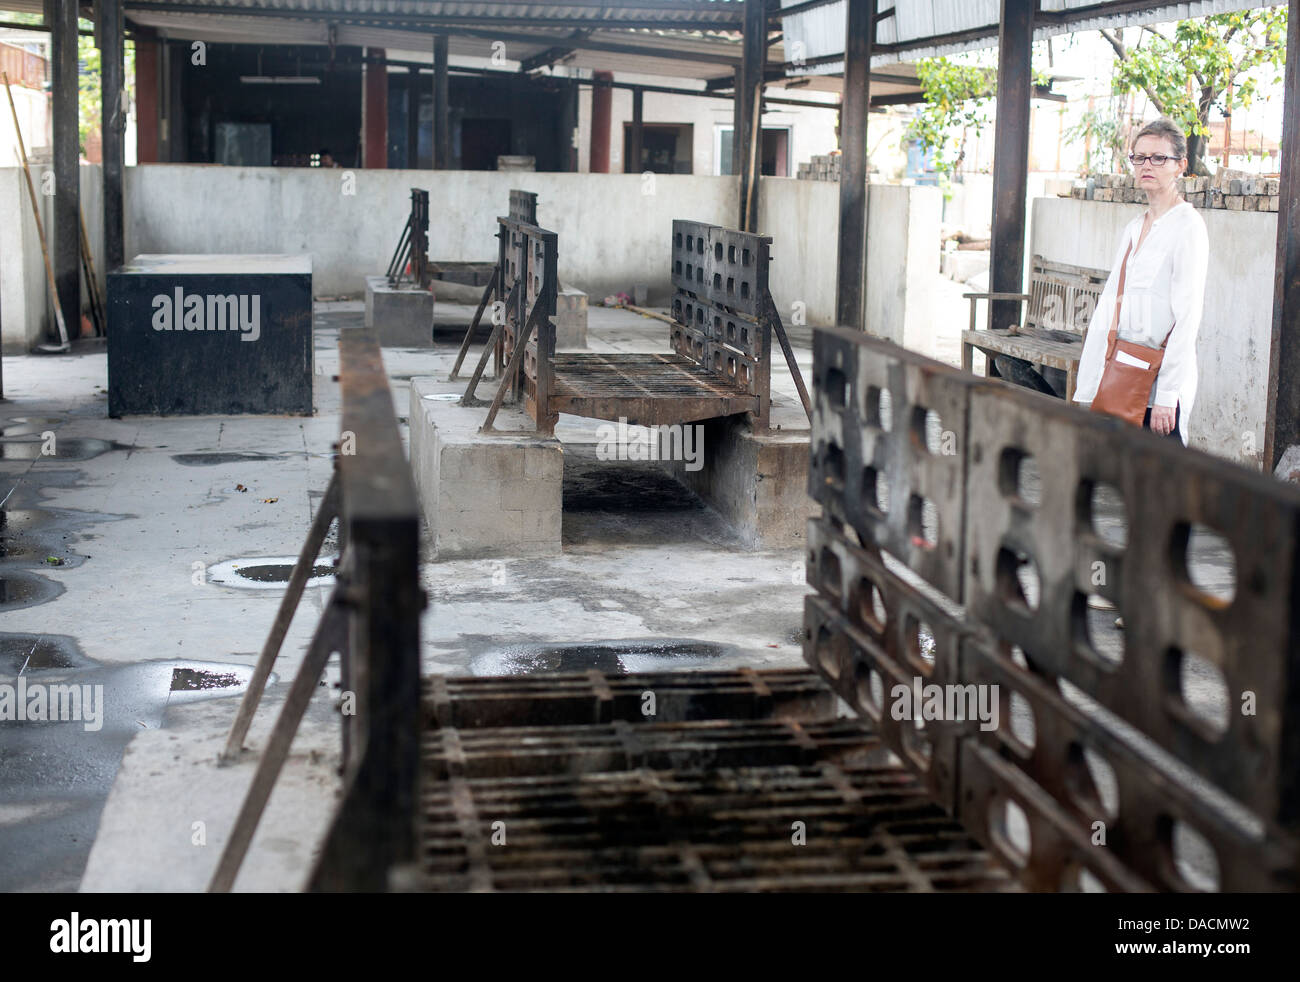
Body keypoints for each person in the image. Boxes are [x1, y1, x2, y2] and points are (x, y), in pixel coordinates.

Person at [1072, 117, 1210, 445]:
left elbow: (1188, 318)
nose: (1147, 165)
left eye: (1159, 158)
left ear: (1180, 165)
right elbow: (1110, 306)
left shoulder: (1188, 226)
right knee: (1129, 483)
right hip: (1123, 374)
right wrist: (1089, 382)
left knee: (1162, 487)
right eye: (1139, 157)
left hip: (1159, 383)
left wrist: (1168, 395)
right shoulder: (1135, 227)